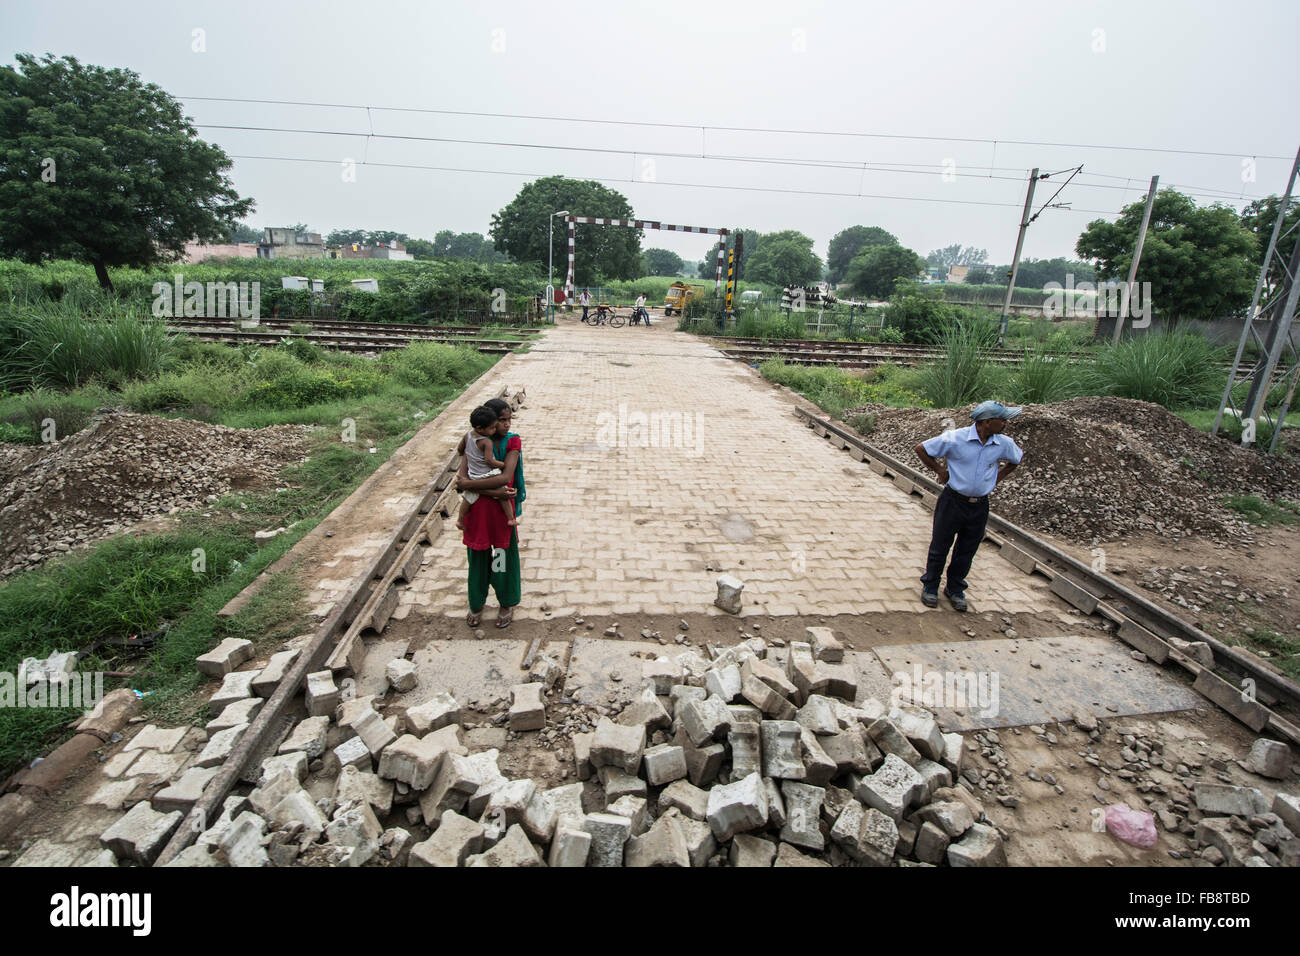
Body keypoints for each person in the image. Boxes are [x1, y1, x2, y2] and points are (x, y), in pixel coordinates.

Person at [913, 401, 1025, 612]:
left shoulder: (1003, 443)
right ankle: (931, 586)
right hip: (952, 501)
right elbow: (922, 449)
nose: (1006, 424)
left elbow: (1015, 460)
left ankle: (955, 589)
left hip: (979, 506)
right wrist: (940, 470)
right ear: (987, 422)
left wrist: (995, 480)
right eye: (1002, 420)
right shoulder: (956, 438)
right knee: (940, 546)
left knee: (967, 549)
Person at [457, 399, 524, 629]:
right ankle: (476, 603)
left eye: (508, 420)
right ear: (486, 424)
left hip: (501, 513)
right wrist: (493, 491)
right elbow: (460, 480)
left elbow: (506, 478)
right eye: (501, 421)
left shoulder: (512, 441)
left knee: (501, 559)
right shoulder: (473, 443)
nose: (506, 425)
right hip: (478, 513)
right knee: (477, 558)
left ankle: (505, 602)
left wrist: (473, 487)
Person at [457, 406, 517, 531]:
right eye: (492, 427)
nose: (494, 429)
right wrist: (502, 465)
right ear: (480, 428)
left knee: (467, 498)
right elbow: (489, 461)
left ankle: (460, 520)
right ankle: (511, 518)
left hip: (472, 474)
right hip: (485, 474)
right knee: (503, 493)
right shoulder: (486, 442)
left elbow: (460, 450)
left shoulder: (467, 436)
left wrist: (469, 483)